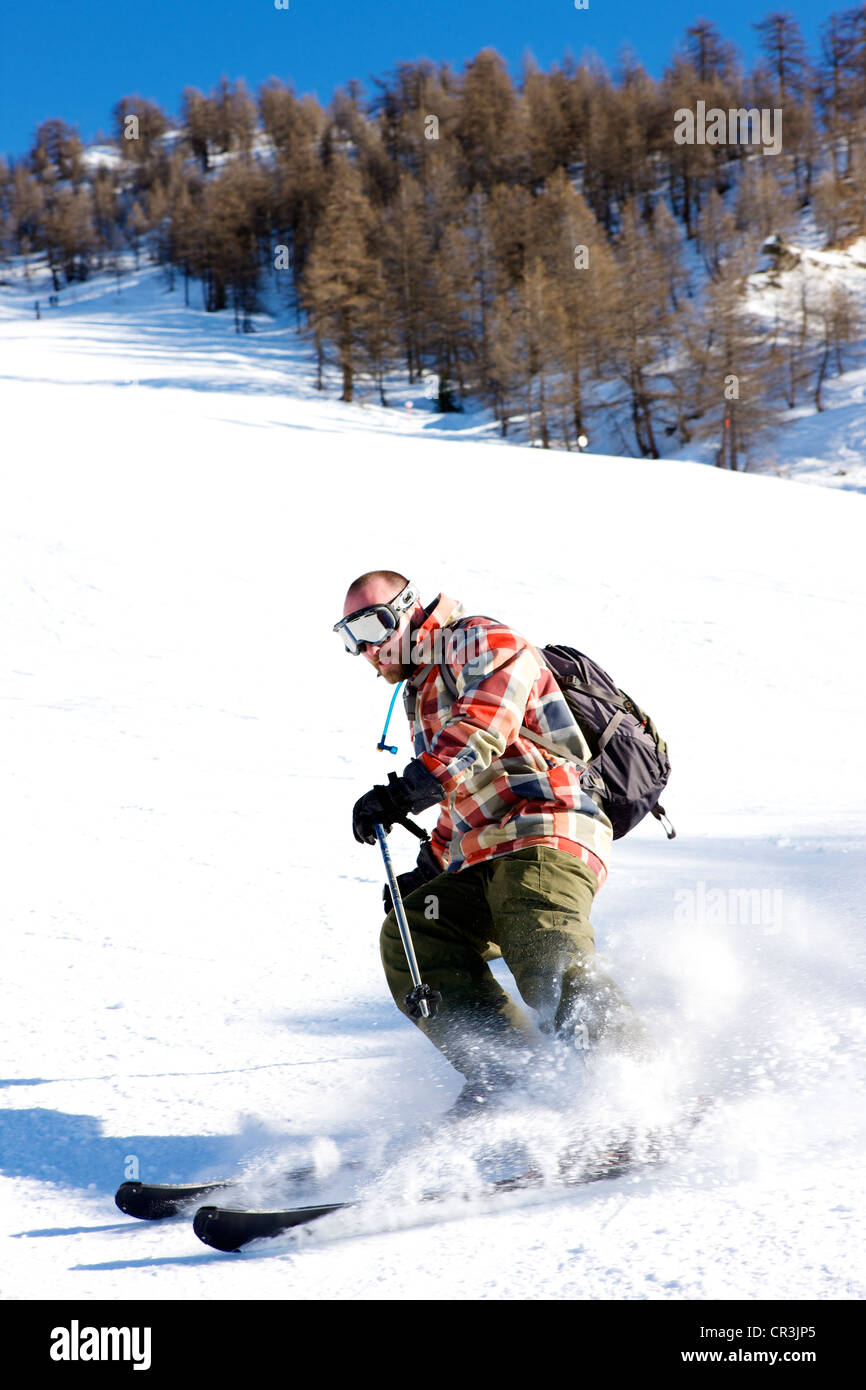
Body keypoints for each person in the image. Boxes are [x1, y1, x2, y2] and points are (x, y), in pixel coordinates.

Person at [334, 570, 647, 1114]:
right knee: (415, 932)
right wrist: (427, 870)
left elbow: (480, 729)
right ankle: (512, 1080)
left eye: (372, 626)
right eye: (349, 637)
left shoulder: (479, 640)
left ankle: (636, 1090)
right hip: (486, 849)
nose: (366, 649)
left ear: (408, 609)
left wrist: (405, 791)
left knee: (540, 936)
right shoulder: (422, 689)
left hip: (546, 826)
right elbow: (464, 798)